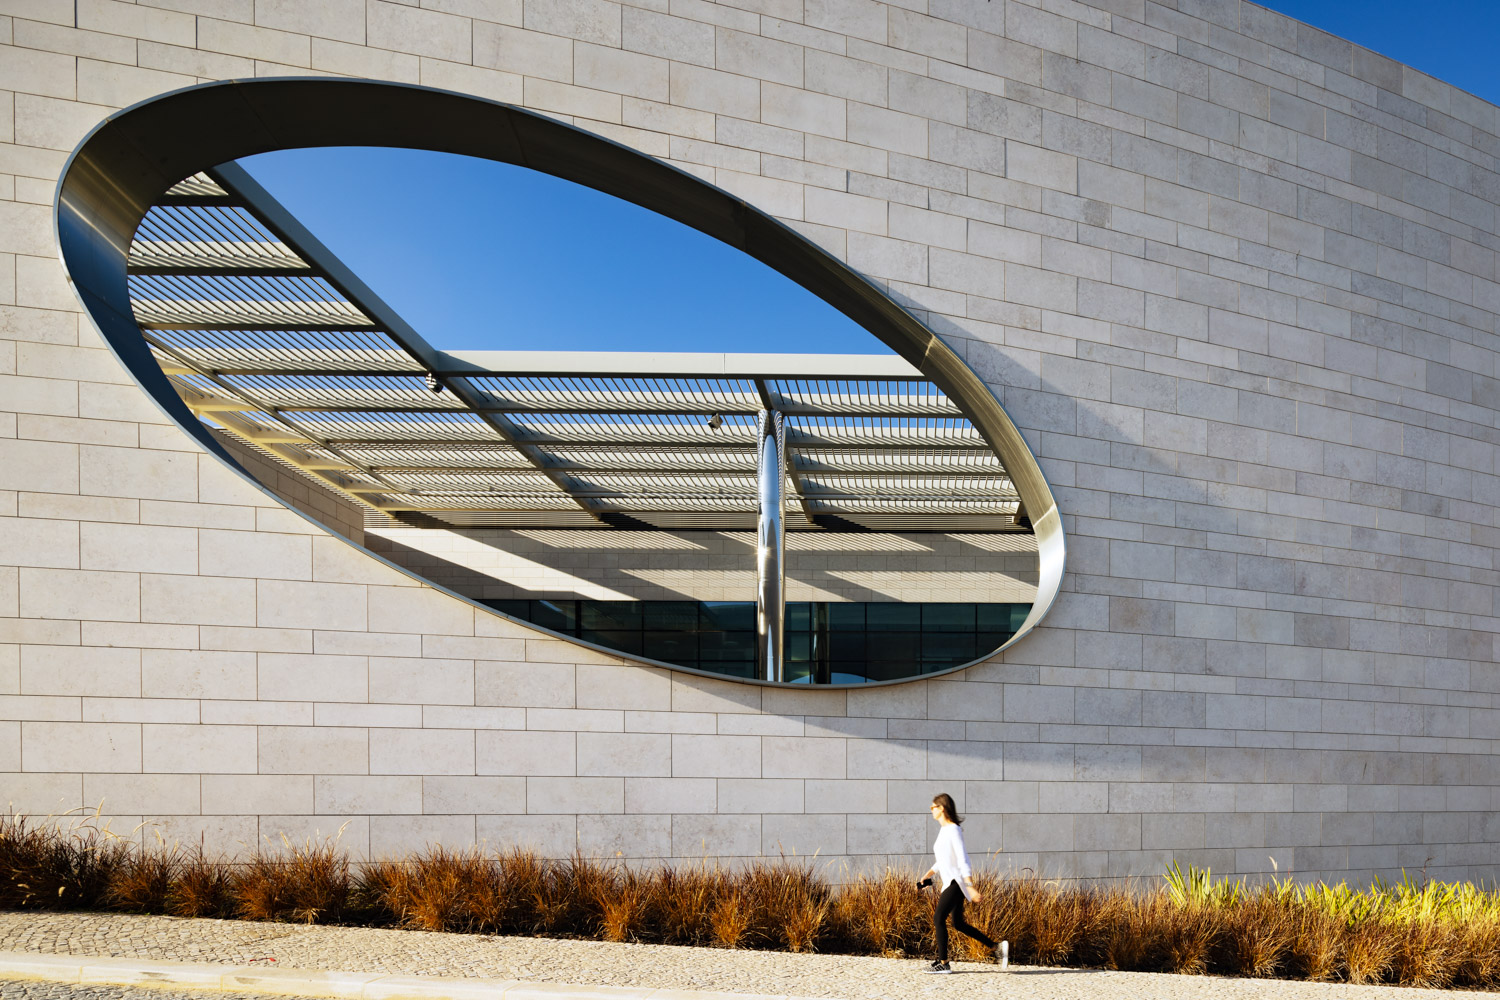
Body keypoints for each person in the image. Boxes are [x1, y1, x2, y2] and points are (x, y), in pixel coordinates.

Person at [916, 792, 1005, 974]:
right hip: (951, 882)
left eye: (933, 807)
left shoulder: (953, 830)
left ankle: (944, 963)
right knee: (959, 924)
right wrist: (928, 874)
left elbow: (963, 858)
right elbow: (943, 859)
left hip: (957, 882)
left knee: (938, 918)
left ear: (941, 808)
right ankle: (997, 948)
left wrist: (970, 886)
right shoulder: (944, 830)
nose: (931, 810)